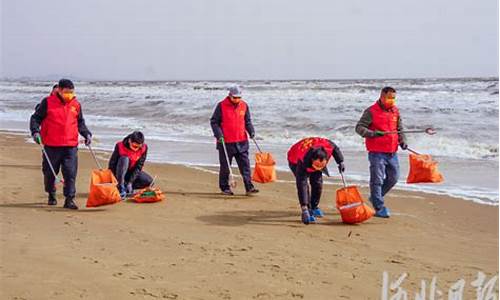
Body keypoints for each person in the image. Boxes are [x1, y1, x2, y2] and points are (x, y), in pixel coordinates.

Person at [30, 79, 92, 209]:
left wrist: (87, 134)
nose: (69, 94)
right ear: (59, 90)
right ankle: (51, 193)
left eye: (71, 92)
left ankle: (69, 199)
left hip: (70, 146)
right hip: (51, 145)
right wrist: (35, 132)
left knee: (70, 173)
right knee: (49, 173)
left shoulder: (76, 104)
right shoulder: (47, 102)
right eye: (66, 92)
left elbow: (80, 122)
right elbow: (36, 118)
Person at [355, 86, 408, 218]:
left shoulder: (395, 111)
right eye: (389, 97)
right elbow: (359, 128)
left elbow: (399, 129)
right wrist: (373, 134)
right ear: (382, 96)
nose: (392, 100)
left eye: (393, 98)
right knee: (377, 180)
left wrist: (403, 141)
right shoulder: (371, 111)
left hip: (392, 152)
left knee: (394, 178)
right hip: (376, 152)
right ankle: (379, 206)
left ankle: (374, 197)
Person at [210, 85, 259, 196]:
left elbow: (247, 121)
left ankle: (249, 187)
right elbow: (214, 122)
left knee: (245, 166)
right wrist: (219, 135)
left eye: (239, 97)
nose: (237, 100)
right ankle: (225, 187)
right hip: (225, 142)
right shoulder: (221, 106)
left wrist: (251, 131)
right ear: (230, 96)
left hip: (241, 141)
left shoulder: (244, 105)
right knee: (226, 167)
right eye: (235, 97)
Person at [287, 137, 345, 224]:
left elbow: (335, 149)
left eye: (321, 166)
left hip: (316, 159)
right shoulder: (303, 160)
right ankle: (308, 210)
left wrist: (340, 162)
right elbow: (301, 185)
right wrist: (304, 209)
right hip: (294, 160)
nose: (318, 168)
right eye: (316, 166)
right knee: (304, 185)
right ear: (312, 160)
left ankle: (314, 207)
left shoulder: (328, 147)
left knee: (317, 183)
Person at [108, 131, 153, 199]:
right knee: (124, 159)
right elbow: (112, 164)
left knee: (148, 181)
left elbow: (139, 167)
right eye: (134, 146)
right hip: (119, 173)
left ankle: (127, 187)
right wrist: (115, 181)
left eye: (138, 147)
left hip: (131, 173)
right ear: (129, 141)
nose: (136, 149)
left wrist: (130, 182)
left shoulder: (144, 148)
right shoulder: (120, 146)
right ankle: (120, 187)